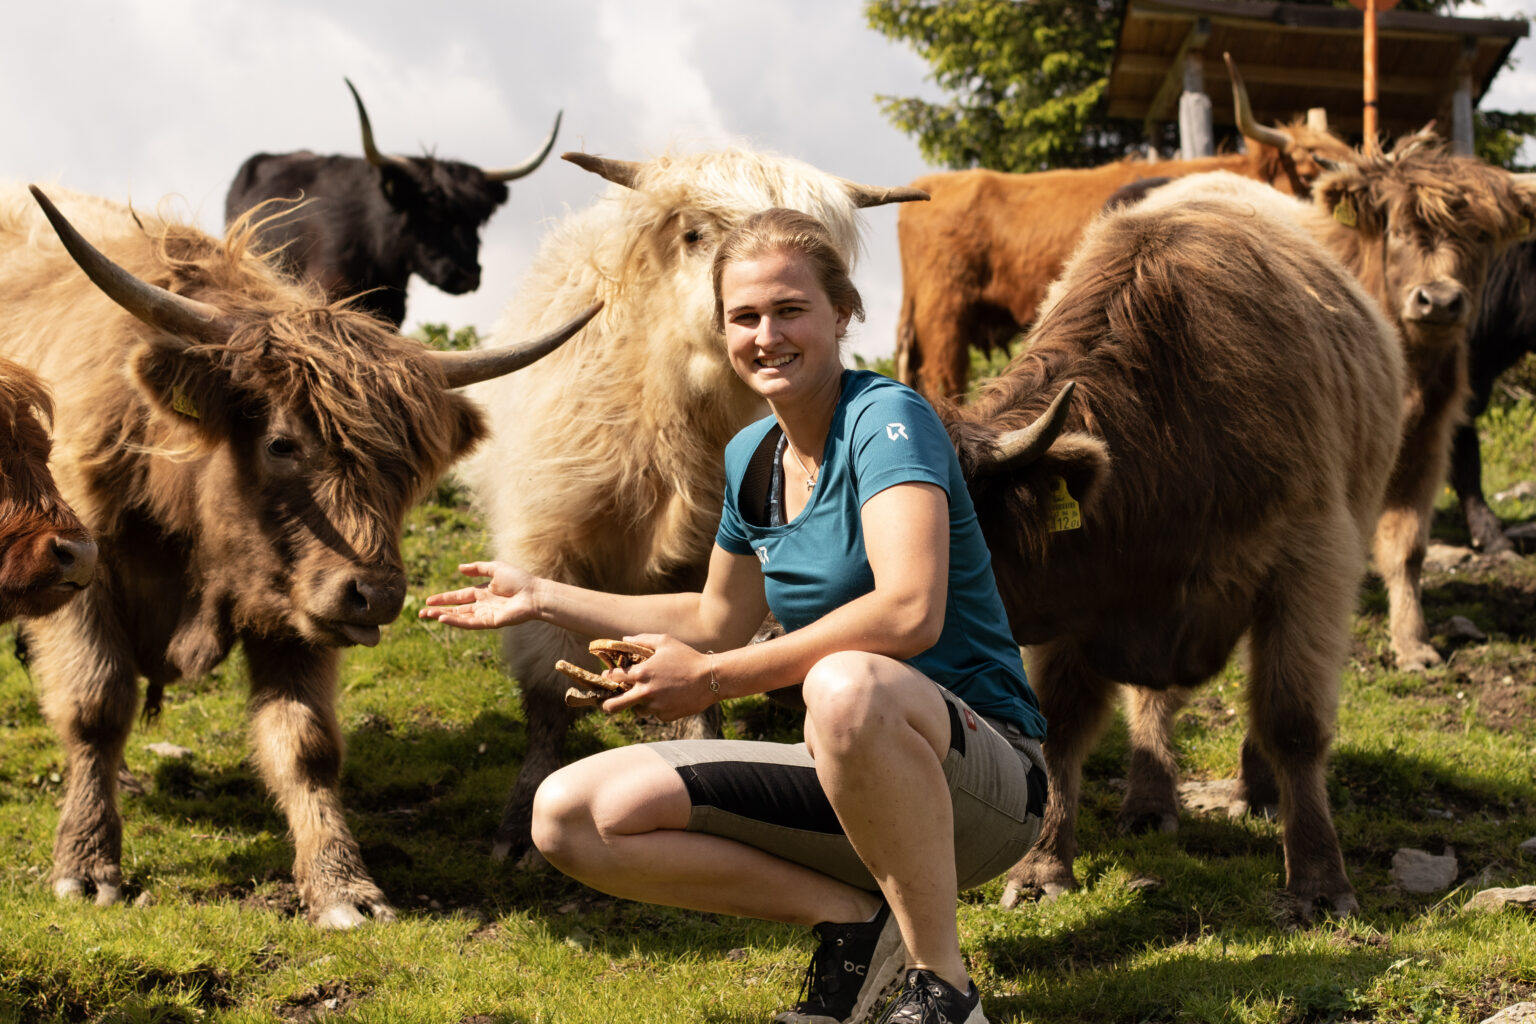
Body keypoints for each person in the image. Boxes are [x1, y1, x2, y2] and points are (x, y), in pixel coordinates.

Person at [420, 207, 1047, 1024]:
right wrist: (543, 596)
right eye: (744, 317)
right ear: (721, 329)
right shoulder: (752, 457)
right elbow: (715, 615)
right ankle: (858, 925)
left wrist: (712, 679)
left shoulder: (888, 422)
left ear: (842, 313)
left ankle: (943, 988)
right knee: (568, 817)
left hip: (987, 782)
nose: (766, 335)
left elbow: (908, 613)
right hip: (851, 773)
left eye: (791, 310)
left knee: (847, 684)